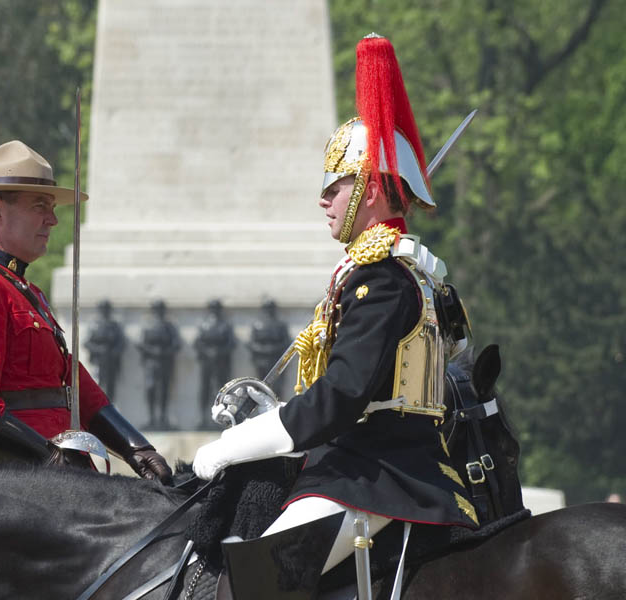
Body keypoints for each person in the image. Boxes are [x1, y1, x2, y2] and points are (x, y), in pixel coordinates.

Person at [194, 35, 476, 594]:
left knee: (250, 586)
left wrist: (237, 444)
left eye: (334, 185)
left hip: (374, 474)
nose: (324, 200)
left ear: (369, 190)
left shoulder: (383, 278)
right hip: (382, 464)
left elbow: (342, 396)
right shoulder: (411, 273)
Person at [0, 140, 171, 484]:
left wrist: (135, 447)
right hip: (0, 479)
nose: (53, 220)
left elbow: (71, 382)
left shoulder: (23, 289)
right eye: (40, 206)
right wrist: (51, 461)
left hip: (49, 477)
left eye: (52, 208)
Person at [137, 300, 180, 429]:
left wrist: (165, 352)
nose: (159, 312)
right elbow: (140, 344)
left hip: (165, 362)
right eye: (156, 309)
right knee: (150, 388)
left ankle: (163, 417)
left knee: (164, 389)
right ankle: (151, 418)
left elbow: (176, 344)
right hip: (151, 362)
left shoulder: (169, 326)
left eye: (161, 309)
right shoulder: (147, 325)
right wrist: (152, 351)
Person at [193, 299, 236, 429]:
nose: (214, 311)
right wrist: (207, 352)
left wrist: (219, 352)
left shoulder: (225, 325)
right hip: (207, 363)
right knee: (205, 390)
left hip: (221, 363)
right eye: (212, 308)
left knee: (222, 390)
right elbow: (197, 343)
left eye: (216, 309)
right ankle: (203, 418)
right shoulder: (204, 325)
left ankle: (222, 418)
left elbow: (231, 343)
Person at [84, 299, 125, 402]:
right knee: (97, 385)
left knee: (111, 387)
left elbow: (121, 343)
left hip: (111, 361)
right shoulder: (94, 325)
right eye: (103, 309)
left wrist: (114, 352)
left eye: (107, 309)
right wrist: (98, 349)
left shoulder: (115, 326)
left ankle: (109, 406)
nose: (105, 311)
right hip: (98, 361)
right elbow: (86, 343)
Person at [247, 299, 290, 394]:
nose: (269, 310)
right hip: (261, 360)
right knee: (261, 386)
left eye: (270, 308)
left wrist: (273, 349)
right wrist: (263, 349)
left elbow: (286, 343)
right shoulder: (257, 325)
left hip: (276, 360)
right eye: (267, 308)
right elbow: (251, 343)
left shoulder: (280, 325)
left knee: (277, 388)